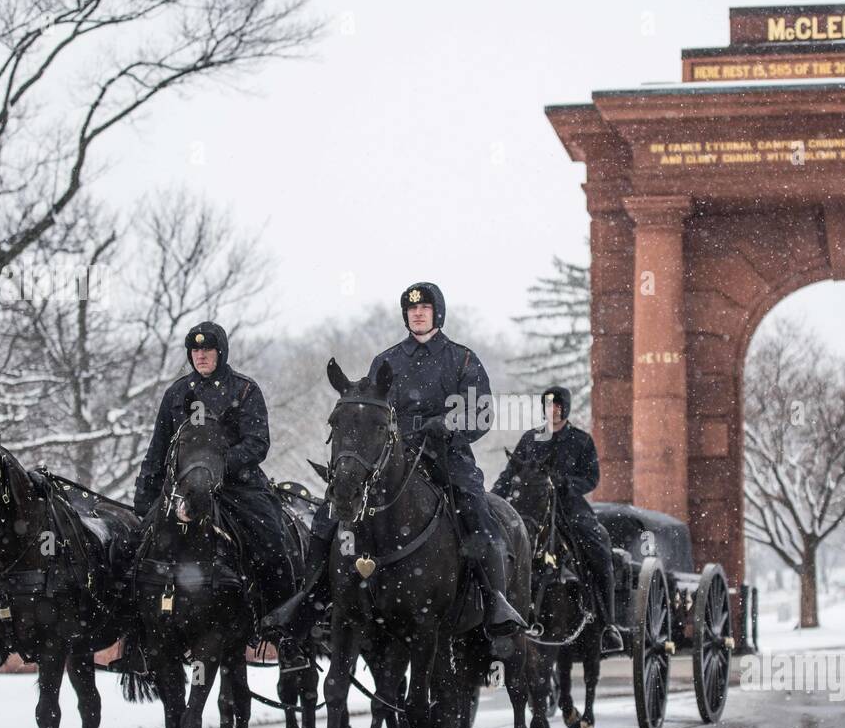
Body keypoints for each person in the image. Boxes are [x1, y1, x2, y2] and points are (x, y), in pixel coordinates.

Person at [261, 282, 527, 664]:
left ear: (438, 313)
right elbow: (370, 411)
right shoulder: (386, 361)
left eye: (424, 308)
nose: (417, 314)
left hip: (445, 456)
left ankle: (495, 602)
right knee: (330, 515)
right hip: (390, 460)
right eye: (411, 309)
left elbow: (481, 413)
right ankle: (312, 597)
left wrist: (448, 425)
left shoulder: (462, 360)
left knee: (477, 513)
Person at [131, 321, 295, 616]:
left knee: (274, 542)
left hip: (238, 487)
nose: (201, 355)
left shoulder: (245, 390)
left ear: (221, 352)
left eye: (207, 349)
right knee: (136, 549)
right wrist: (145, 496)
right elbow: (158, 449)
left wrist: (213, 469)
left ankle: (283, 628)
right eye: (195, 349)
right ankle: (137, 635)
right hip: (182, 490)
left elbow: (258, 444)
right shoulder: (176, 393)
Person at [492, 385, 618, 645]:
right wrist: (492, 499)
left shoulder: (582, 440)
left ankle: (608, 624)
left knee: (599, 547)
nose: (554, 410)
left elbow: (591, 478)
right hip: (533, 508)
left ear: (566, 408)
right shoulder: (530, 439)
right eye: (549, 405)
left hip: (569, 508)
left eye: (558, 406)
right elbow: (509, 475)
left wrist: (566, 484)